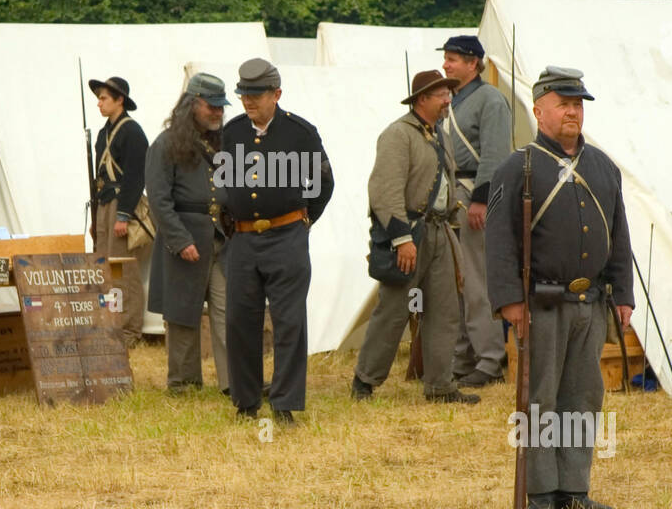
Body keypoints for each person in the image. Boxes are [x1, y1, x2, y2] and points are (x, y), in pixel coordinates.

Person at [486, 66, 632, 509]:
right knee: (540, 398)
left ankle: (575, 489)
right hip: (540, 303)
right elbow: (499, 239)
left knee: (583, 397)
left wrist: (623, 294)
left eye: (578, 104)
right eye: (564, 103)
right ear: (539, 109)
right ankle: (542, 494)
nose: (573, 111)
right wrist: (510, 299)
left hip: (590, 303)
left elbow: (619, 236)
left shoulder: (603, 167)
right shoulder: (518, 167)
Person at [352, 70, 478, 404]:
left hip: (439, 232)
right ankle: (365, 380)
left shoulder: (439, 135)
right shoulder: (398, 134)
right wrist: (401, 239)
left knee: (445, 310)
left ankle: (439, 385)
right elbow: (384, 191)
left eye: (449, 94)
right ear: (422, 99)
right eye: (441, 95)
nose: (448, 100)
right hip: (410, 233)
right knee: (394, 310)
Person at [220, 58, 334, 423]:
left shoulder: (300, 133)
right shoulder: (233, 132)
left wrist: (302, 222)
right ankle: (246, 402)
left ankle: (284, 404)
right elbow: (223, 183)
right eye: (243, 95)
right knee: (240, 321)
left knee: (289, 323)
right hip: (242, 241)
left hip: (287, 237)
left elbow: (322, 184)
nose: (248, 101)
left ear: (277, 94)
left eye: (256, 94)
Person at [145, 73, 232, 392]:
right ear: (192, 104)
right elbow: (158, 199)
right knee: (182, 314)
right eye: (212, 106)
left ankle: (232, 382)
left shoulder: (222, 143)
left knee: (227, 312)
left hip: (221, 242)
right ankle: (184, 383)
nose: (218, 113)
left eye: (221, 107)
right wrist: (180, 240)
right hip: (183, 239)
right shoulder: (165, 144)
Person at [438, 35, 513, 386]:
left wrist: (481, 200)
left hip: (473, 196)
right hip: (448, 198)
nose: (446, 65)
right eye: (446, 59)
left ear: (473, 63)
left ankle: (490, 358)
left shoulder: (490, 100)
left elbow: (496, 155)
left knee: (478, 280)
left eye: (453, 59)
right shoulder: (448, 101)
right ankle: (463, 354)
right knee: (456, 282)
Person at [89, 75, 150, 346]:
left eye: (104, 98)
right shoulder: (103, 133)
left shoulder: (133, 132)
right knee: (104, 267)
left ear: (119, 100)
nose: (99, 103)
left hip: (121, 204)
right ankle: (109, 323)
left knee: (123, 271)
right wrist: (96, 218)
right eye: (99, 98)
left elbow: (137, 177)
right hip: (103, 204)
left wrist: (123, 214)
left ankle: (128, 330)